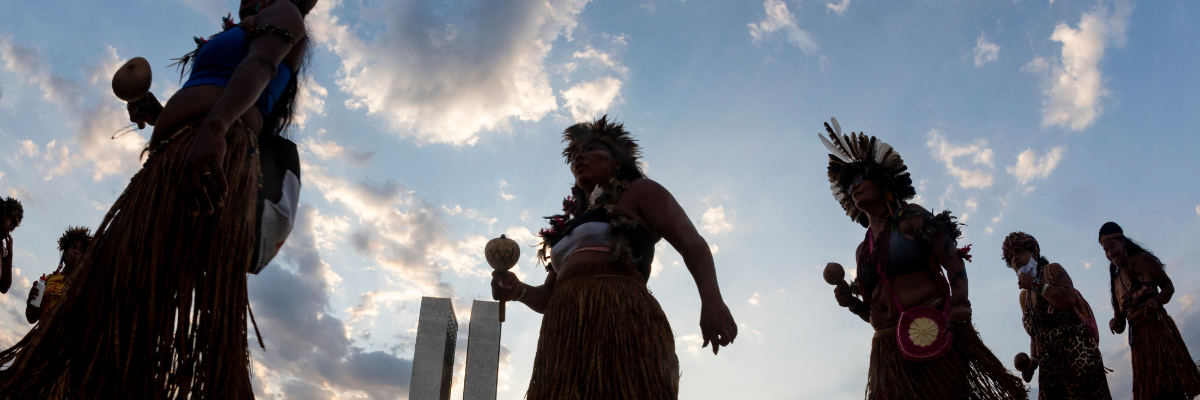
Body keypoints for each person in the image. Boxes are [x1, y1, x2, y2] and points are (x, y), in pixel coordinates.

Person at [0, 0, 316, 397]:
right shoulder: (251, 25)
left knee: (111, 306)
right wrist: (159, 113)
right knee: (105, 308)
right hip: (179, 159)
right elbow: (214, 90)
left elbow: (261, 65)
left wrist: (215, 129)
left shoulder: (284, 13)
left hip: (209, 159)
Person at [490, 116, 738, 399]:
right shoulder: (568, 225)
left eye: (590, 149)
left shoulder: (639, 192)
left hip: (622, 315)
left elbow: (691, 243)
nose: (578, 157)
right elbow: (548, 297)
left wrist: (712, 301)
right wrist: (518, 290)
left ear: (617, 161)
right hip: (565, 329)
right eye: (574, 154)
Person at [821, 118, 1025, 399]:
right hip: (887, 350)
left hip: (929, 328)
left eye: (860, 179)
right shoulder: (863, 250)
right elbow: (873, 312)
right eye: (849, 185)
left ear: (881, 180)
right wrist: (853, 304)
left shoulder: (912, 218)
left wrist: (961, 302)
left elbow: (953, 260)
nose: (854, 187)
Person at [1001, 231, 1110, 399]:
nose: (1014, 258)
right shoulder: (1024, 297)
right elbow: (1035, 335)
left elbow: (1068, 300)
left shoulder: (1052, 271)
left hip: (1078, 360)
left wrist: (1036, 284)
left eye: (1018, 251)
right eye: (1010, 256)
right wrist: (1033, 361)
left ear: (1034, 252)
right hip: (1050, 372)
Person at [1099, 222, 1200, 399]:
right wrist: (1115, 323)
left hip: (1159, 332)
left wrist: (1156, 300)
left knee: (1172, 390)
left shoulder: (1143, 260)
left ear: (1122, 241)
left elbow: (1168, 287)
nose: (1110, 253)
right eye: (1106, 250)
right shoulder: (1115, 281)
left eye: (1112, 246)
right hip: (1139, 343)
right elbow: (1121, 322)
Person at [26, 227, 92, 324]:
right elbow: (32, 319)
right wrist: (30, 302)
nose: (77, 251)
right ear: (65, 251)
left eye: (81, 250)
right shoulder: (48, 279)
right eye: (74, 246)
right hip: (42, 333)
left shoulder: (85, 284)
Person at [1, 196, 24, 294]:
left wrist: (10, 253)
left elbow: (4, 287)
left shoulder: (2, 250)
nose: (11, 226)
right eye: (10, 219)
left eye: (14, 224)